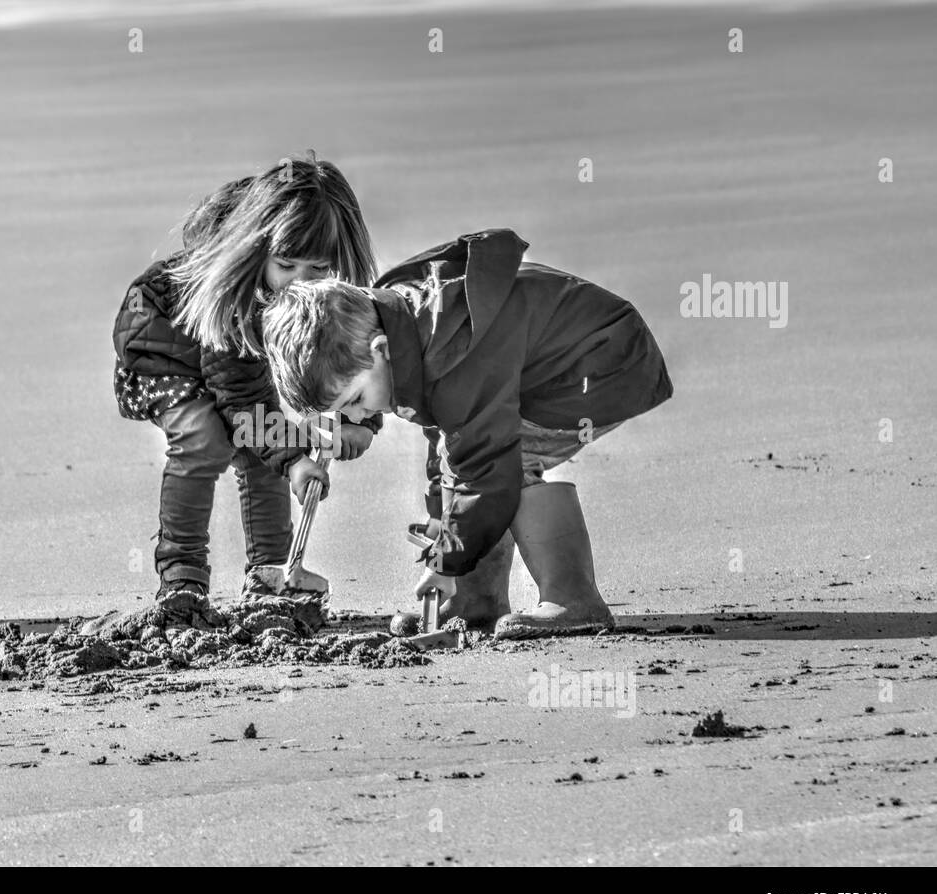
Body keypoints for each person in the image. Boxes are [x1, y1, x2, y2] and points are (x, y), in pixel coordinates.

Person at [260, 228, 673, 629]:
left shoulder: (454, 352)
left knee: (506, 462)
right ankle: (478, 601)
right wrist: (445, 529)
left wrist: (446, 561)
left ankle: (574, 599)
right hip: (561, 361)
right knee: (469, 462)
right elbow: (450, 445)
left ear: (380, 351)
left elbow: (486, 469)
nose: (355, 417)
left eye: (354, 400)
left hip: (602, 363)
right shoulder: (405, 328)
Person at [112, 155, 380, 599]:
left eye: (318, 269)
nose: (300, 283)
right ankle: (182, 574)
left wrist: (357, 420)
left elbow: (354, 362)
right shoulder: (237, 296)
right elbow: (241, 396)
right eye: (287, 265)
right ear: (259, 251)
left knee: (263, 447)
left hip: (233, 375)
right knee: (208, 437)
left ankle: (271, 573)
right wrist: (296, 461)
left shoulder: (328, 299)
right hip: (164, 350)